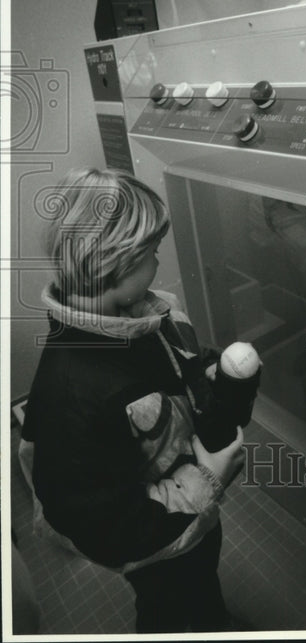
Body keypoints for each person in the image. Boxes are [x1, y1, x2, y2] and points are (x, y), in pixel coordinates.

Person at [19, 167, 259, 633]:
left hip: (189, 516)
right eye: (151, 252)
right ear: (117, 263)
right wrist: (209, 478)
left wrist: (211, 371)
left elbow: (174, 362)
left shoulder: (146, 311)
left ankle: (212, 621)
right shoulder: (69, 393)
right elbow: (101, 525)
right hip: (156, 547)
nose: (158, 262)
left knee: (201, 580)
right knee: (168, 605)